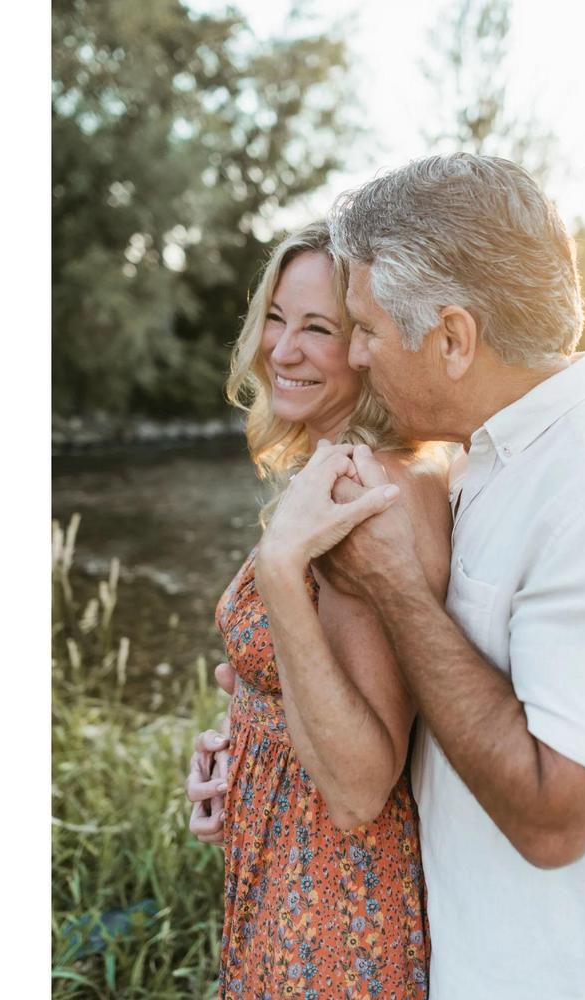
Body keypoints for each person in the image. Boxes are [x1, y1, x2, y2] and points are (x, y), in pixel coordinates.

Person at [264, 154, 585, 999]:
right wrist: (261, 734)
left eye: (365, 328)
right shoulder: (487, 459)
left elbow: (555, 816)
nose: (355, 354)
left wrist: (395, 588)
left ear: (452, 338)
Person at [185, 221, 451, 999]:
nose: (282, 349)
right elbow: (315, 678)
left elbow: (362, 786)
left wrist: (276, 575)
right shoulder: (336, 469)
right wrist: (242, 742)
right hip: (280, 866)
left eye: (319, 328)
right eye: (275, 317)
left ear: (366, 345)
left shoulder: (363, 492)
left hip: (327, 902)